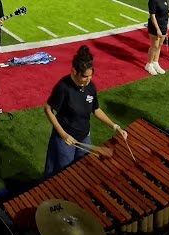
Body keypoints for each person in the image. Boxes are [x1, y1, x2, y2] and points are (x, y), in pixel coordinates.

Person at [43, 46, 127, 177]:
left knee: (81, 170)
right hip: (66, 140)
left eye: (91, 75)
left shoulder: (90, 87)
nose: (88, 79)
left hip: (84, 136)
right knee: (62, 175)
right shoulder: (63, 87)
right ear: (74, 71)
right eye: (85, 76)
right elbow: (48, 109)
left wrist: (115, 126)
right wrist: (63, 134)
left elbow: (96, 110)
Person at [145, 0, 169, 75]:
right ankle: (149, 64)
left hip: (163, 25)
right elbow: (153, 16)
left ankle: (156, 62)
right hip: (155, 26)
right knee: (154, 45)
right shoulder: (153, 0)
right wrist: (157, 29)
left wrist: (167, 24)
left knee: (159, 45)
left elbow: (166, 13)